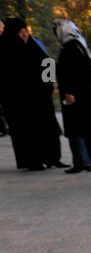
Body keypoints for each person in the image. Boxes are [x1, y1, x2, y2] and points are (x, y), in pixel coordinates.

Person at [0, 16, 67, 170]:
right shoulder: (5, 50)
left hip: (40, 98)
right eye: (21, 32)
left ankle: (53, 158)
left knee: (47, 128)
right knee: (26, 131)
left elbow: (48, 62)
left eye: (26, 31)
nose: (25, 35)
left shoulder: (32, 46)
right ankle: (32, 161)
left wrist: (50, 82)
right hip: (19, 102)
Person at [53, 19, 91, 173]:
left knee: (74, 127)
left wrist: (69, 92)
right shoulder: (80, 45)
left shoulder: (69, 49)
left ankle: (82, 162)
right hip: (85, 93)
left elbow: (70, 73)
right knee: (88, 125)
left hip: (73, 94)